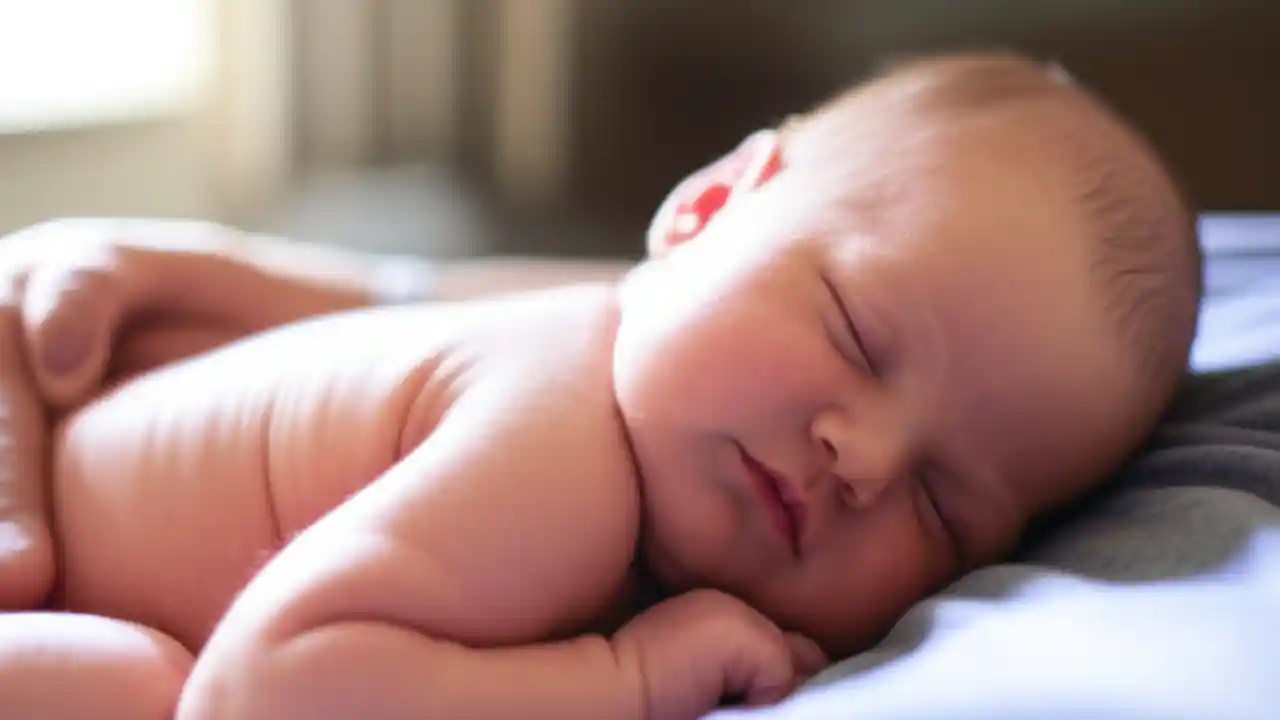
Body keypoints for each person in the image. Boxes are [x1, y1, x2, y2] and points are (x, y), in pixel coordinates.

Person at [0, 52, 1200, 720]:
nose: (865, 460)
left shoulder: (627, 362)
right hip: (44, 562)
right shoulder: (564, 454)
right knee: (132, 689)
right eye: (855, 333)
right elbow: (258, 697)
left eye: (942, 507)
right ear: (706, 209)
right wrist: (622, 683)